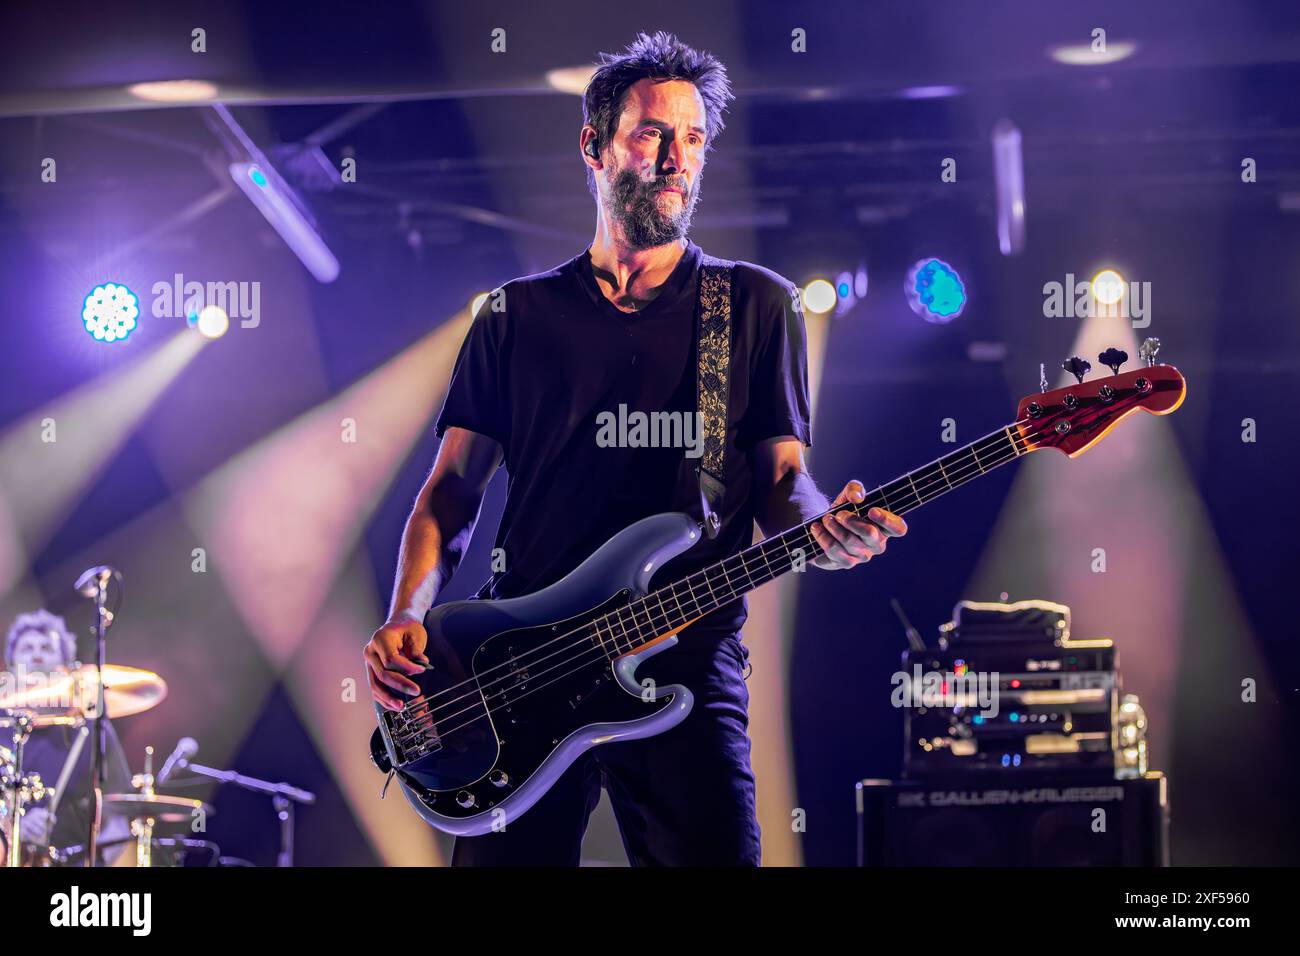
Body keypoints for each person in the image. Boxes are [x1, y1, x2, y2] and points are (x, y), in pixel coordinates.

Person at [363, 31, 906, 866]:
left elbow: (785, 481)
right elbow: (449, 494)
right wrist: (406, 612)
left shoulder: (755, 306)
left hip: (686, 659)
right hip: (520, 664)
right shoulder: (515, 315)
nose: (675, 160)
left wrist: (826, 527)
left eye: (692, 140)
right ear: (595, 145)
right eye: (653, 134)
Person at [2, 609, 132, 865]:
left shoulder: (90, 730)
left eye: (47, 647)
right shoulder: (1, 725)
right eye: (28, 648)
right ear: (11, 663)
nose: (37, 654)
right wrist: (12, 828)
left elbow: (118, 821)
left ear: (65, 666)